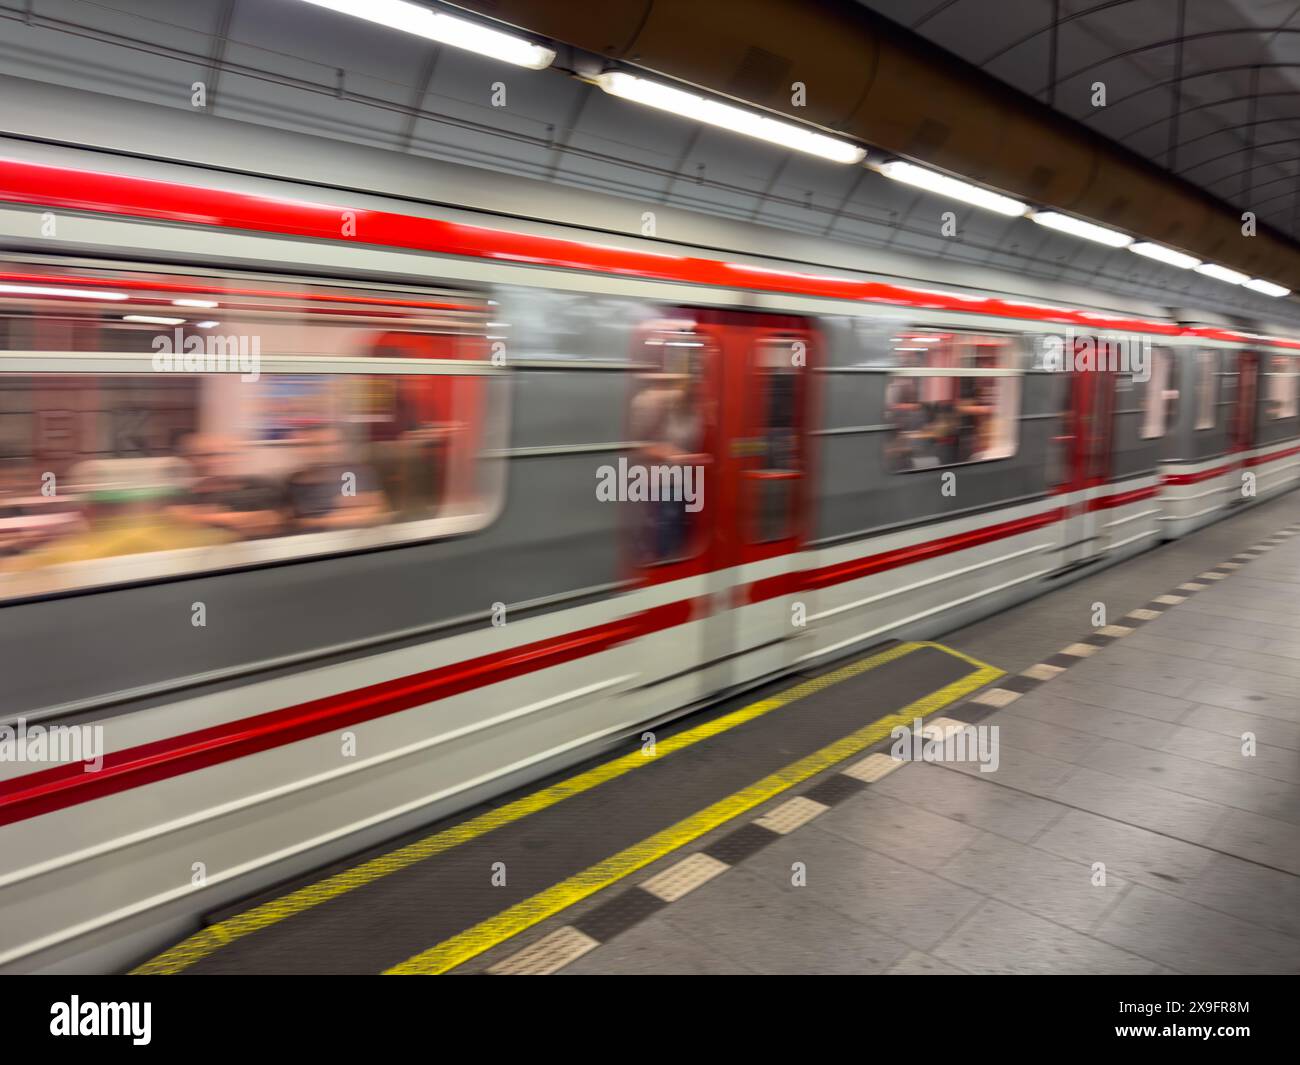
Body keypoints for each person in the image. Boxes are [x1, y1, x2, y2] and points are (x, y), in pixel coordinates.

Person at [629, 364, 708, 563]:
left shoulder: (698, 410)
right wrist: (672, 454)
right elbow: (636, 445)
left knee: (679, 528)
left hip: (684, 479)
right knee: (666, 530)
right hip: (657, 480)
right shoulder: (655, 404)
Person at [168, 433, 284, 540]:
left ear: (238, 456)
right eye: (206, 455)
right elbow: (176, 520)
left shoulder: (261, 484)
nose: (217, 460)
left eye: (226, 454)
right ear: (191, 459)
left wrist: (203, 516)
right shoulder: (185, 494)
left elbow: (269, 520)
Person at [283, 424, 389, 532]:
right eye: (311, 445)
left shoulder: (353, 475)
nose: (322, 450)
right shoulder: (295, 480)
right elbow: (291, 520)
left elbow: (374, 513)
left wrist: (313, 522)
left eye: (328, 444)